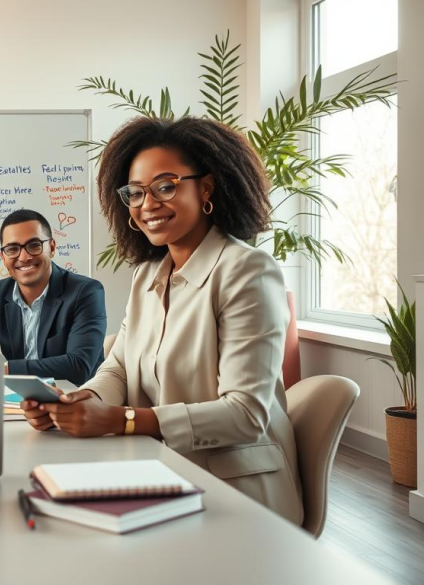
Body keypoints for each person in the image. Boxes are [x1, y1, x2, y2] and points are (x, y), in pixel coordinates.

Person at [21, 117, 303, 525]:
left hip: (238, 496)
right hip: (159, 473)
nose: (147, 204)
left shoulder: (247, 271)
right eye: (135, 193)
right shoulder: (147, 276)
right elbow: (117, 366)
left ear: (205, 188)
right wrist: (82, 402)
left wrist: (124, 419)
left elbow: (246, 414)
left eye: (165, 186)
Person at [0, 209, 106, 385]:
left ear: (51, 248)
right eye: (12, 249)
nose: (24, 257)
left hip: (76, 398)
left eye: (34, 245)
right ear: (3, 257)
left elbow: (79, 366)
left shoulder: (86, 292)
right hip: (20, 400)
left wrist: (5, 369)